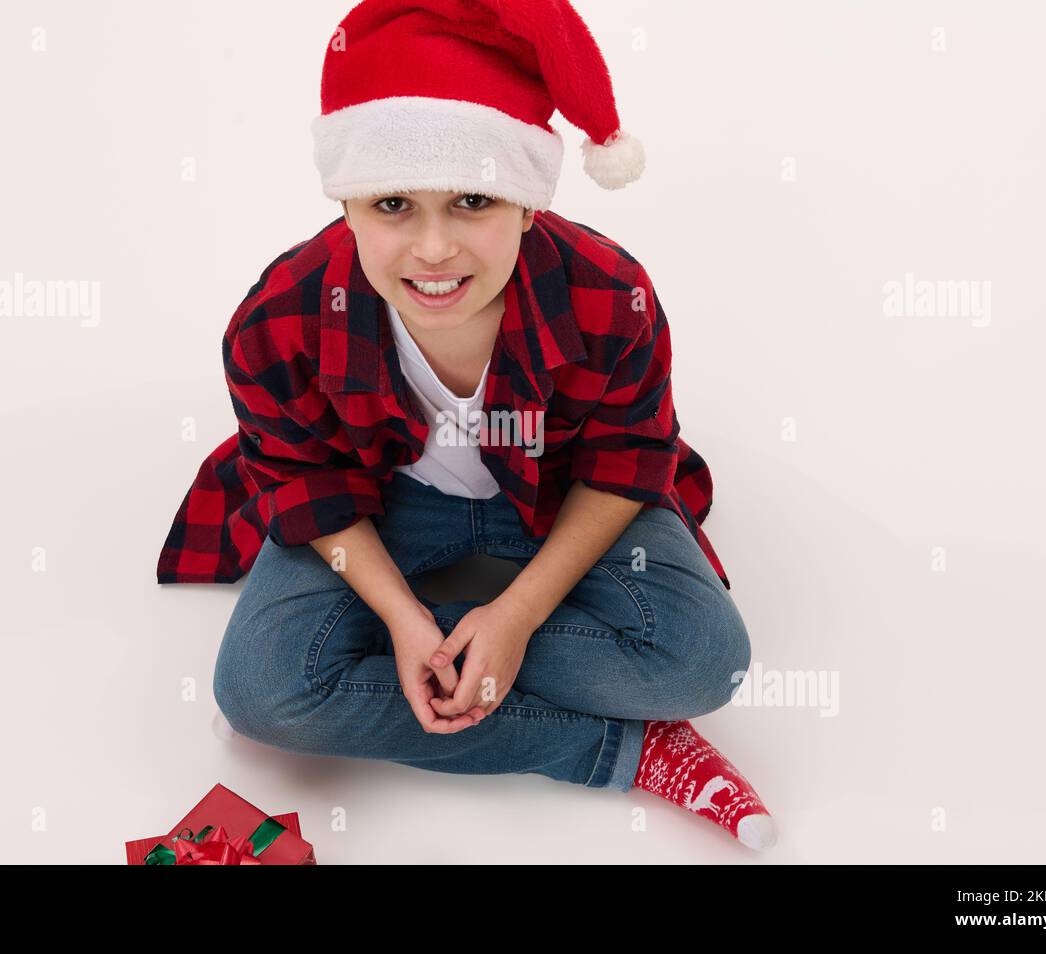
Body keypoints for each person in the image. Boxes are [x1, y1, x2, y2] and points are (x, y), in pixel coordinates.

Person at [157, 0, 777, 851]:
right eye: (392, 206)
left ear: (526, 204)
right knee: (259, 693)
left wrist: (517, 615)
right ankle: (623, 749)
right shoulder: (279, 319)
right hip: (381, 505)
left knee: (707, 659)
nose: (434, 250)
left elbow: (625, 465)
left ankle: (383, 672)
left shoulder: (611, 294)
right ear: (347, 206)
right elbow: (308, 490)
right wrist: (406, 621)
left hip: (557, 499)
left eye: (473, 201)